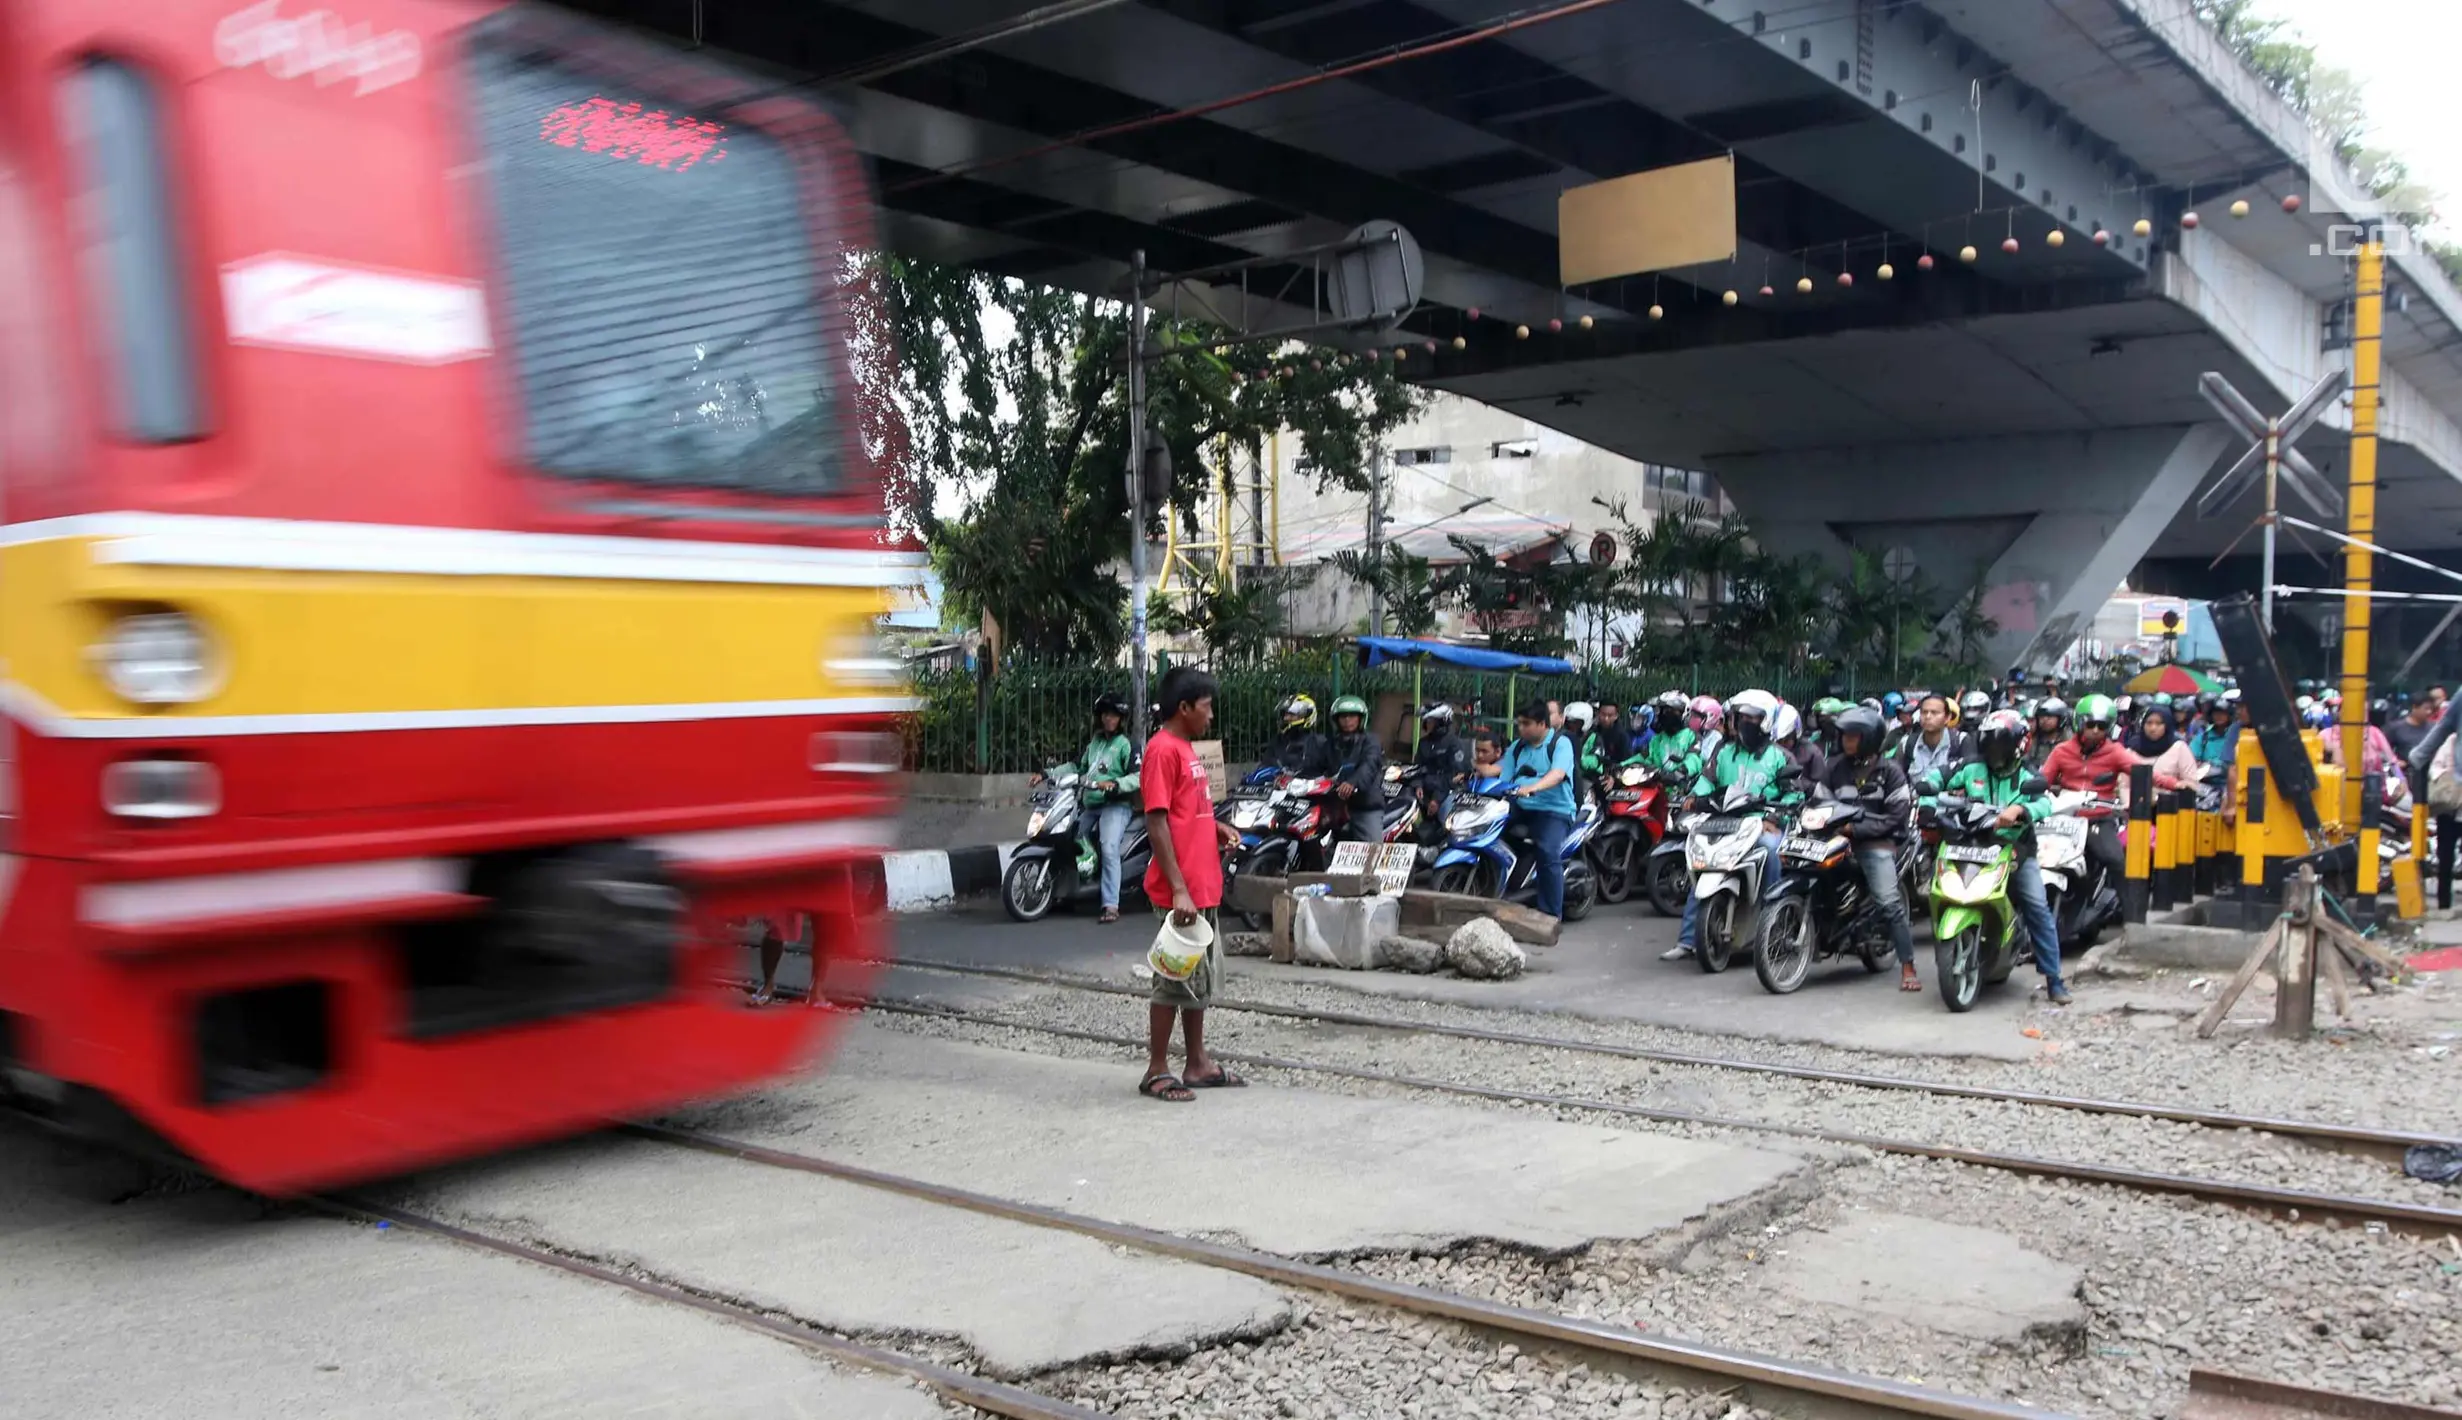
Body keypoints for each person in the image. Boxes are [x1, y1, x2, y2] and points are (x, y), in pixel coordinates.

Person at [1137, 666, 1245, 1102]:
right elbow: (1156, 820)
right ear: (1184, 708)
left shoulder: (1186, 750)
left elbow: (1187, 811)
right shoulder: (1163, 751)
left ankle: (1197, 1061)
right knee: (1172, 978)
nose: (1211, 715)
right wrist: (1178, 887)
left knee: (1196, 981)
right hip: (1180, 890)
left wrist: (1214, 827)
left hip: (1202, 885)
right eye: (1206, 707)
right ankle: (1157, 1069)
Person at [1938, 709, 2071, 1005]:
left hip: (2015, 851)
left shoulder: (2028, 775)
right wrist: (1925, 794)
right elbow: (1937, 778)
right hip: (1971, 845)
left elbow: (2044, 804)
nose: (1993, 752)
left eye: (2000, 745)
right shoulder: (1972, 768)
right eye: (1989, 745)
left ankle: (2054, 979)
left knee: (2037, 907)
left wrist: (2021, 811)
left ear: (2017, 745)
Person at [1667, 689, 1800, 961]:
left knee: (1770, 851)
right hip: (1726, 821)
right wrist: (1693, 798)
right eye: (1741, 717)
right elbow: (1708, 780)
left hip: (1761, 824)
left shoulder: (1780, 757)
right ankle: (1688, 939)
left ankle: (1771, 927)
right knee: (1702, 863)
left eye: (1752, 718)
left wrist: (1773, 819)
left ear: (1765, 721)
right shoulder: (1725, 751)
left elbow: (1794, 794)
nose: (1744, 723)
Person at [1820, 705, 1920, 991]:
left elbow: (1895, 816)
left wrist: (1857, 829)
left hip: (1877, 843)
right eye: (1844, 736)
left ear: (1869, 739)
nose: (1846, 742)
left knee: (1889, 902)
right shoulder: (1835, 768)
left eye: (1853, 736)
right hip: (1835, 840)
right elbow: (1818, 801)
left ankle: (1908, 965)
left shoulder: (1891, 773)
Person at [2042, 693, 2138, 885]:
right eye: (2090, 724)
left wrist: (2175, 784)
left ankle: (2130, 911)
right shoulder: (2062, 750)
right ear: (2080, 723)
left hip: (2098, 819)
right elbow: (2043, 779)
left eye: (2101, 726)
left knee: (2115, 860)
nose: (2095, 730)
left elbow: (2144, 772)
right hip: (2064, 819)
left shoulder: (2116, 752)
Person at [1500, 705, 1578, 918]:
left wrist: (1533, 788)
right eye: (1520, 724)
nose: (1521, 729)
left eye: (1526, 724)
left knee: (1548, 851)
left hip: (1555, 810)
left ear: (1542, 724)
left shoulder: (1560, 744)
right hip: (1521, 807)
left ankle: (1552, 915)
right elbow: (1504, 780)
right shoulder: (1516, 748)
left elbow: (1558, 774)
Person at [1081, 692, 1142, 924]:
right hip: (1091, 803)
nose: (1109, 719)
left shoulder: (1127, 745)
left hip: (1117, 805)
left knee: (1108, 848)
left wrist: (1115, 784)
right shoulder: (1095, 743)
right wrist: (1047, 774)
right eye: (1105, 714)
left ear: (1121, 719)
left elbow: (1138, 777)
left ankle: (1110, 905)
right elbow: (1078, 766)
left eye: (1114, 715)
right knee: (1074, 837)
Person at [1325, 694, 1386, 842]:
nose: (1347, 721)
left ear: (1360, 719)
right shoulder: (1329, 744)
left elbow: (1369, 765)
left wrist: (1352, 782)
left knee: (1372, 850)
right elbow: (1316, 765)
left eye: (1352, 716)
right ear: (1336, 720)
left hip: (1365, 804)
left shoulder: (1371, 741)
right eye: (1343, 717)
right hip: (1334, 803)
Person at [1412, 702, 1472, 821]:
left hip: (1446, 792)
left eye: (1431, 721)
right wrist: (1417, 785)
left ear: (1441, 722)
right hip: (1425, 790)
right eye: (1427, 721)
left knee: (1445, 821)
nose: (1427, 724)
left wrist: (1437, 799)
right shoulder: (1424, 743)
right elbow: (1417, 767)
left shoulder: (1453, 743)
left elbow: (1456, 775)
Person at [1894, 693, 1971, 783]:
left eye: (1934, 713)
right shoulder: (1907, 744)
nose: (1928, 717)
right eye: (1924, 712)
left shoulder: (1961, 741)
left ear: (1947, 717)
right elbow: (1897, 780)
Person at [2136, 705, 2199, 791]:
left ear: (2167, 725)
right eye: (2149, 723)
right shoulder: (2133, 748)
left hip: (2170, 802)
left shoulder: (2179, 748)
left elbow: (2191, 783)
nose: (2153, 728)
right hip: (2134, 802)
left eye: (2158, 723)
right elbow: (2124, 785)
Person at [1269, 693, 1333, 776]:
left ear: (1307, 716)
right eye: (1285, 714)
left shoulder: (1319, 743)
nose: (1286, 718)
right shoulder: (1278, 741)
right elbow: (1266, 765)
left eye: (1291, 715)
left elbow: (1328, 772)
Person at [1640, 691, 1698, 777]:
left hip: (1682, 786)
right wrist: (1622, 766)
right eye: (1661, 711)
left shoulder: (1692, 737)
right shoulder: (1657, 739)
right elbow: (1643, 757)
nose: (1662, 715)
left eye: (1668, 711)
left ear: (1683, 712)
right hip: (1656, 784)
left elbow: (1694, 760)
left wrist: (1680, 772)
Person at [2023, 696, 2071, 772]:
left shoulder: (2069, 741)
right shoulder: (2032, 741)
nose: (2044, 720)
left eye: (2049, 716)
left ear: (2061, 718)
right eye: (2041, 716)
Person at [1590, 699, 1636, 768]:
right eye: (1603, 714)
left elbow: (1626, 761)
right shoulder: (1593, 732)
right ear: (1598, 714)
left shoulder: (1621, 736)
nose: (1606, 718)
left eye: (1610, 715)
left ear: (1616, 716)